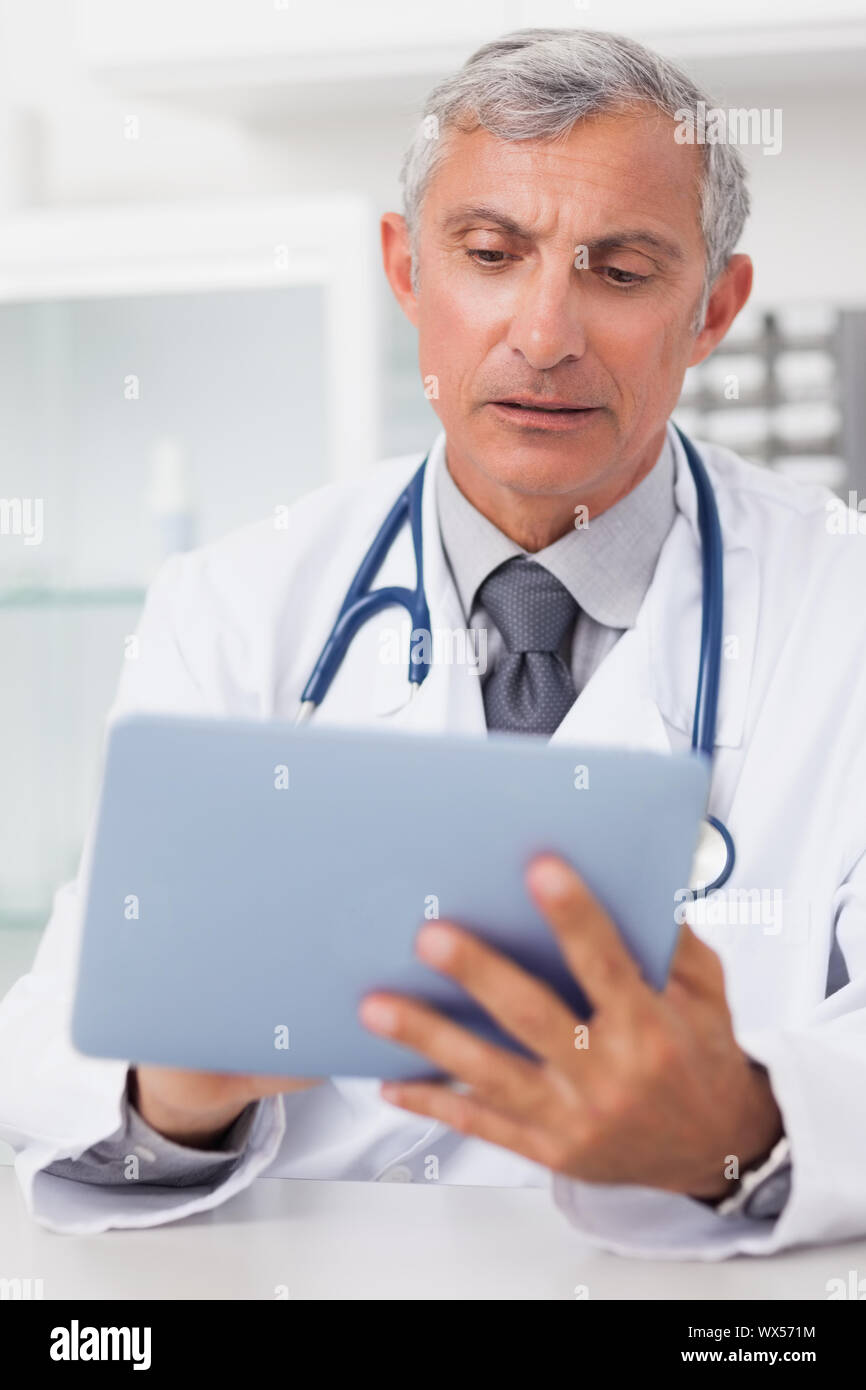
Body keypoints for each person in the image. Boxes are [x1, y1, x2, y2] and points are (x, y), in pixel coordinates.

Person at [2, 27, 866, 1261]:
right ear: (407, 271)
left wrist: (745, 1119)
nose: (544, 331)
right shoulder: (237, 608)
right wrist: (171, 1093)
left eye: (619, 271)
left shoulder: (842, 609)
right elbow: (53, 1033)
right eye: (490, 256)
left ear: (713, 309)